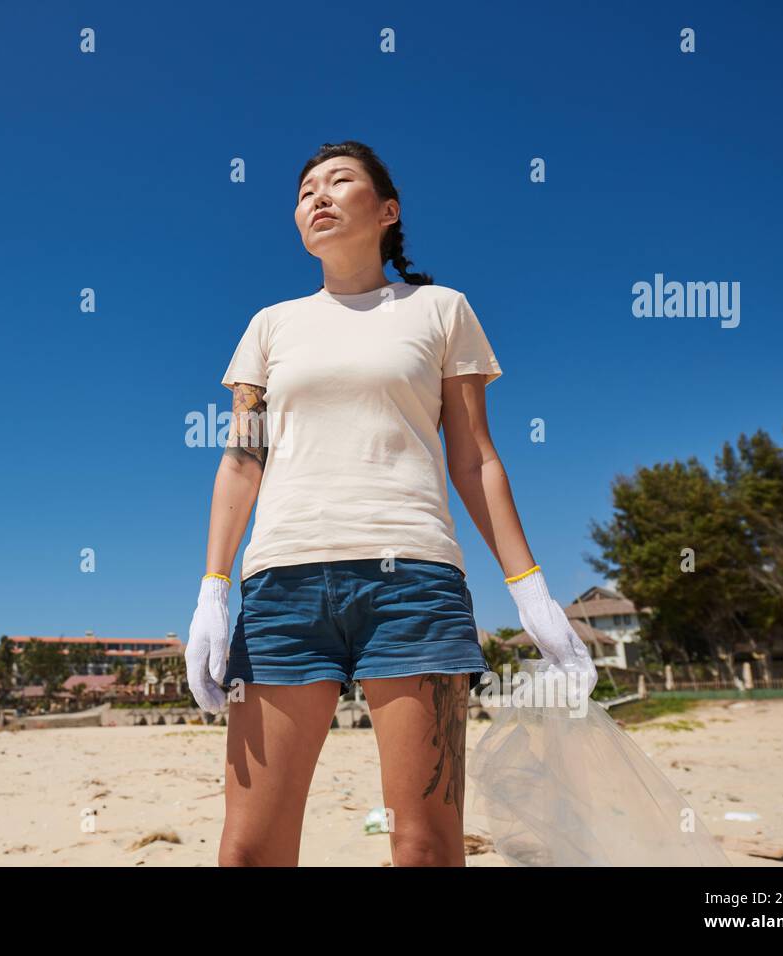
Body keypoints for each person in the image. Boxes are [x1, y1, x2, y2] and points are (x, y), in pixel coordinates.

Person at [187, 140, 593, 867]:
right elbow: (242, 460)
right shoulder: (270, 326)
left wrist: (530, 591)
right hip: (281, 587)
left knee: (427, 846)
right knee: (247, 849)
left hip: (414, 584)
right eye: (306, 188)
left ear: (388, 210)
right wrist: (213, 593)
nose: (318, 195)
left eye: (340, 181)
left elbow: (474, 458)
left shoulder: (442, 311)